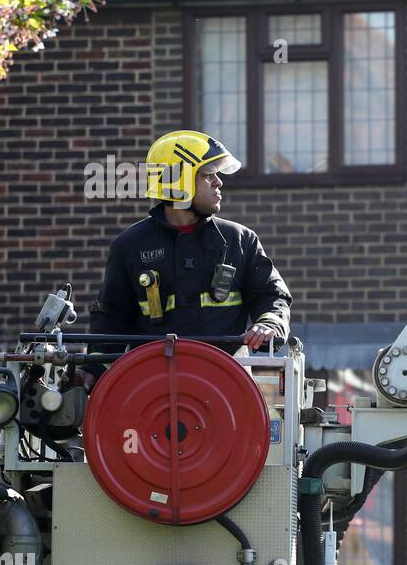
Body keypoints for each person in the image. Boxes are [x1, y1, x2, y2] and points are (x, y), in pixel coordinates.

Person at [73, 130, 292, 389]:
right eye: (208, 174)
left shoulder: (239, 241)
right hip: (151, 391)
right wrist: (91, 371)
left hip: (226, 392)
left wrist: (269, 324)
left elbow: (272, 295)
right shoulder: (129, 246)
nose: (218, 182)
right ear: (178, 180)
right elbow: (110, 321)